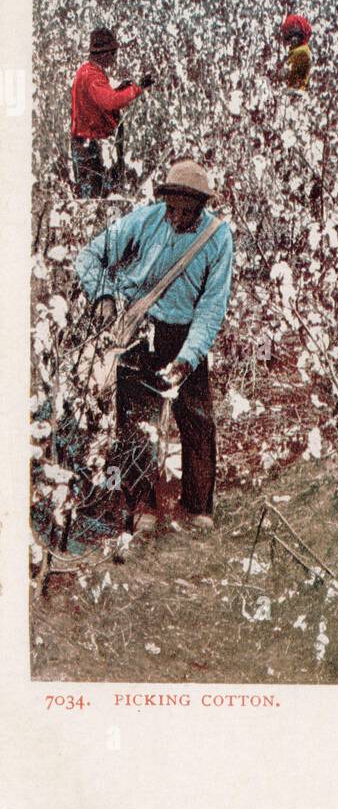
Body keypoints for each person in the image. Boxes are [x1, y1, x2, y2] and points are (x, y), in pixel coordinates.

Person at [75, 159, 234, 535]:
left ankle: (198, 508)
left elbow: (212, 306)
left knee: (196, 420)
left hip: (183, 336)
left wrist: (187, 358)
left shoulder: (217, 238)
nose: (177, 217)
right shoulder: (144, 220)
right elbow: (90, 256)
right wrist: (105, 297)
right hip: (139, 329)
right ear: (163, 201)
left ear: (200, 206)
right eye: (171, 208)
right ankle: (141, 504)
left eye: (186, 211)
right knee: (135, 420)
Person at [70, 27, 154, 197]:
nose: (114, 58)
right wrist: (138, 89)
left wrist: (119, 90)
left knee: (95, 195)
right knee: (95, 199)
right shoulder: (92, 75)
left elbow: (101, 100)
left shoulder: (87, 72)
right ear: (104, 53)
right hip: (89, 147)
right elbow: (110, 102)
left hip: (87, 143)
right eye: (113, 53)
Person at [281, 14, 312, 91]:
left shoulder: (301, 52)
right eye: (290, 35)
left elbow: (296, 82)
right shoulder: (297, 51)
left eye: (296, 35)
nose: (293, 39)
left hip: (294, 96)